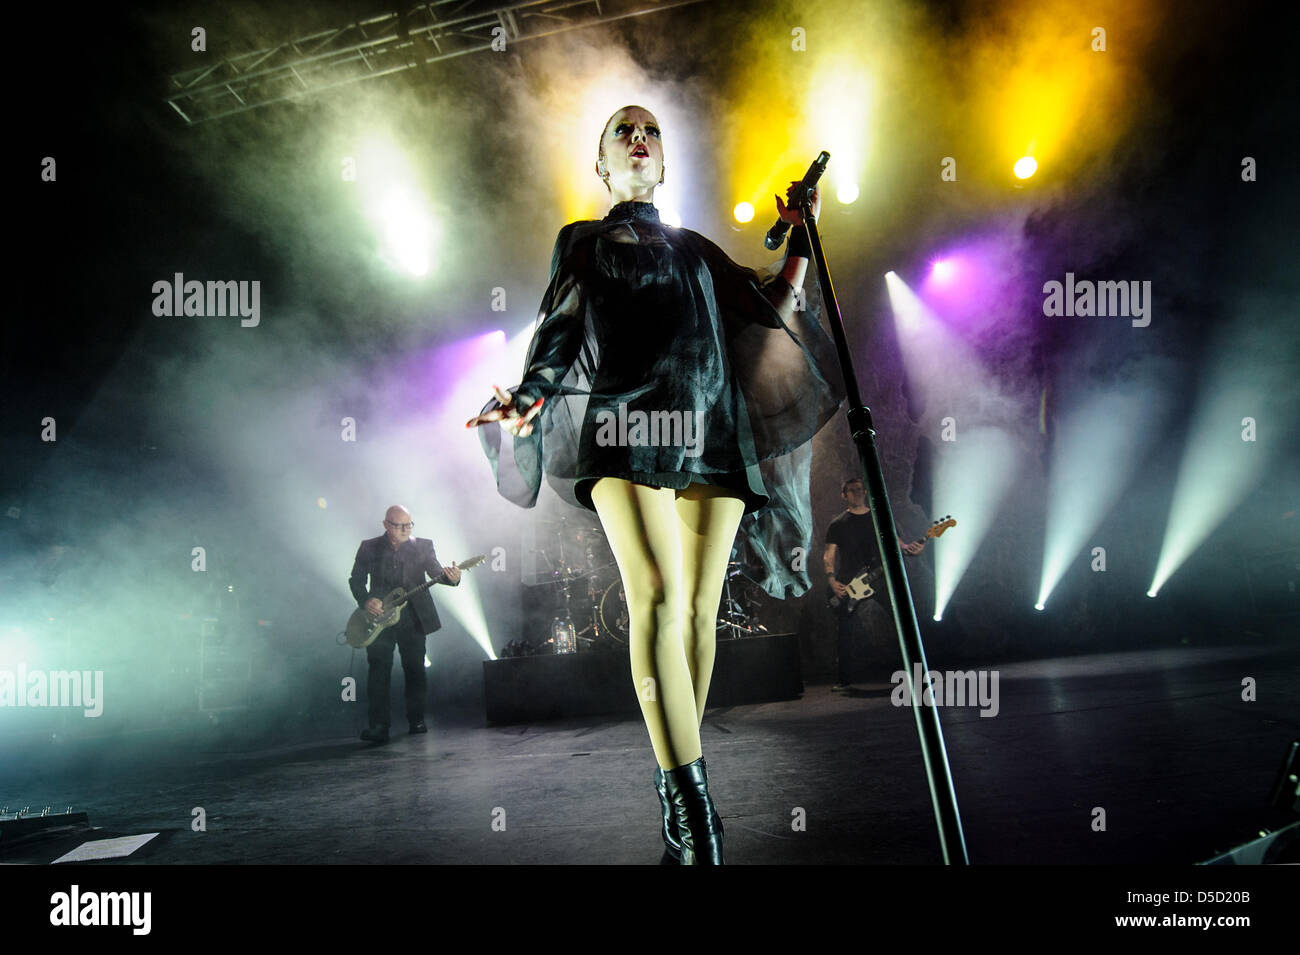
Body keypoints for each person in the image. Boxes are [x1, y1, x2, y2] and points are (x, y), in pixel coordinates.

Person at [467, 106, 842, 863]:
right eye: (621, 132)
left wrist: (802, 235)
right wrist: (531, 395)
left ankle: (676, 786)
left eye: (652, 132)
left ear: (664, 164)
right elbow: (561, 329)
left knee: (700, 612)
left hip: (712, 430)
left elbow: (770, 310)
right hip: (623, 426)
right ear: (604, 167)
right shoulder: (586, 240)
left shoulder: (699, 251)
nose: (639, 137)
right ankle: (699, 820)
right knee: (663, 595)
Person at [348, 505, 461, 742]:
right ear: (386, 525)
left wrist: (453, 579)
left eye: (408, 524)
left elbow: (436, 572)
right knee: (378, 670)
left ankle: (416, 720)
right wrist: (366, 600)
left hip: (414, 616)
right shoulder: (369, 547)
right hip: (379, 618)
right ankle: (379, 726)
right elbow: (356, 580)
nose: (405, 529)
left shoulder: (423, 545)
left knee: (415, 669)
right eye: (399, 525)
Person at [823, 477, 924, 690]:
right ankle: (844, 682)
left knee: (903, 623)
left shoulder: (880, 518)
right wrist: (832, 580)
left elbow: (899, 544)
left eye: (860, 489)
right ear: (844, 495)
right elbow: (828, 555)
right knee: (845, 632)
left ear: (865, 492)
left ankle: (917, 677)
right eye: (851, 490)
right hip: (849, 582)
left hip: (879, 579)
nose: (857, 493)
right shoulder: (838, 523)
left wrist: (912, 549)